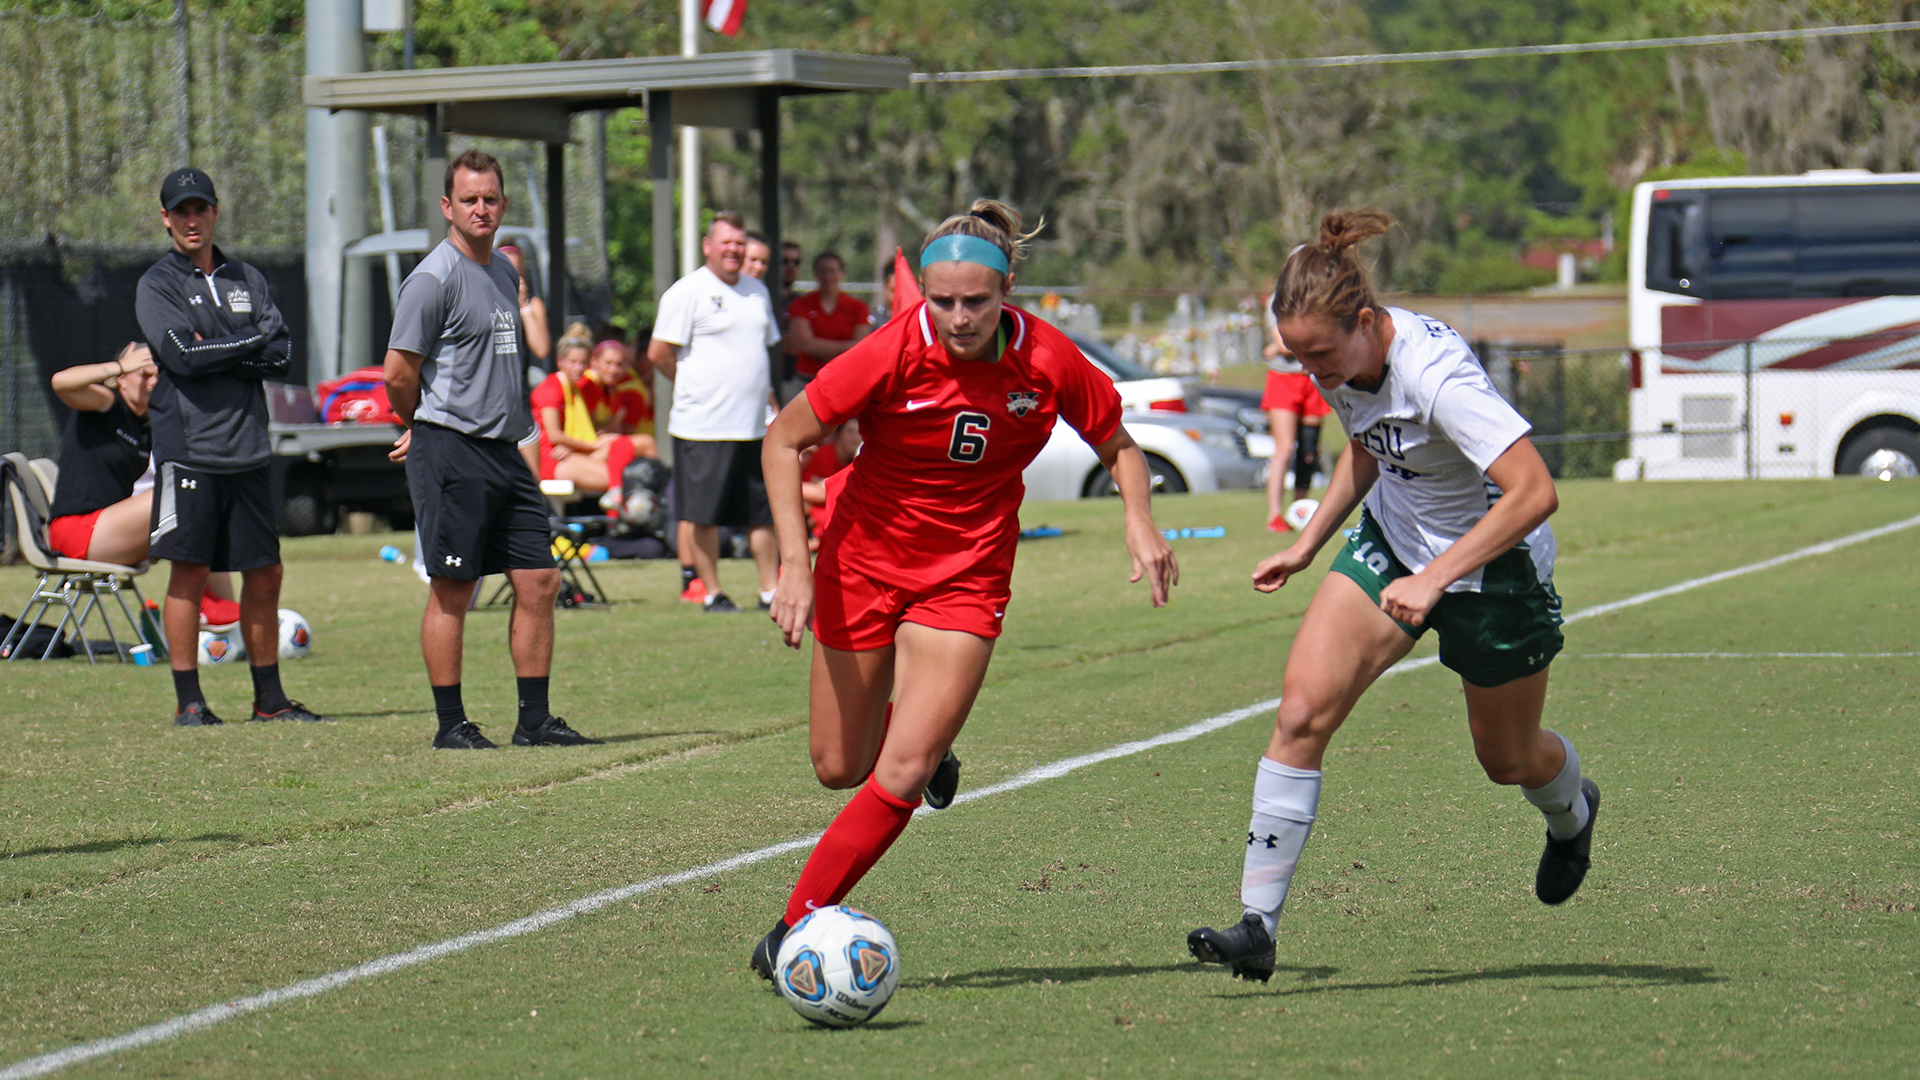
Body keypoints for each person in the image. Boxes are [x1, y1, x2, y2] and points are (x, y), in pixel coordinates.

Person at [749, 199, 1181, 982]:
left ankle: (794, 924)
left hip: (968, 573)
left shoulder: (1048, 360)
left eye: (975, 302)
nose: (957, 317)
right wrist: (795, 563)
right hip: (862, 562)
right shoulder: (889, 351)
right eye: (942, 301)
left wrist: (1140, 520)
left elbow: (1119, 446)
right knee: (838, 766)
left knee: (902, 773)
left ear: (1007, 287)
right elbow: (784, 439)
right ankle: (928, 740)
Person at [1186, 211, 1596, 983]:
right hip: (1393, 543)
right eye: (1298, 358)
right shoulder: (1341, 364)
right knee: (1301, 711)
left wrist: (1438, 578)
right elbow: (1369, 448)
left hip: (1496, 573)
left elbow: (1534, 491)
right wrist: (1309, 545)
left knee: (1506, 759)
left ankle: (1572, 813)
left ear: (1368, 323)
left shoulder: (1436, 378)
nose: (1314, 374)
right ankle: (1257, 927)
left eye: (1323, 355)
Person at [384, 148, 603, 750]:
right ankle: (451, 724)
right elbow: (399, 371)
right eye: (469, 199)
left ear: (503, 204)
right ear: (447, 206)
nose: (481, 208)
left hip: (506, 452)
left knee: (539, 580)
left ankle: (533, 721)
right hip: (451, 449)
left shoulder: (504, 273)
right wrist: (418, 424)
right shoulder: (432, 278)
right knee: (454, 588)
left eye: (490, 198)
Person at [135, 167, 325, 727]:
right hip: (189, 448)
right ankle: (189, 700)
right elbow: (181, 358)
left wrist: (216, 347)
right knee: (189, 573)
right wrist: (247, 342)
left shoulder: (248, 277)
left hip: (248, 449)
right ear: (166, 219)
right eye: (180, 211)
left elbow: (282, 354)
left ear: (215, 212)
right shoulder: (157, 284)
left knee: (265, 572)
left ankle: (270, 700)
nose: (192, 220)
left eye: (201, 209)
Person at [645, 211, 782, 615]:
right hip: (703, 426)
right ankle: (712, 592)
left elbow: (761, 354)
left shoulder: (758, 291)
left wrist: (770, 402)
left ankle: (770, 590)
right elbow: (659, 353)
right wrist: (692, 382)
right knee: (705, 515)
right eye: (726, 243)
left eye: (739, 244)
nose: (733, 251)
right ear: (708, 246)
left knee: (761, 514)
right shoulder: (687, 292)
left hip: (753, 427)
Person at [47, 343, 239, 626]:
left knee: (206, 507)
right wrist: (120, 366)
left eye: (157, 376)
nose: (152, 382)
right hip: (76, 532)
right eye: (143, 375)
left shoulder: (148, 424)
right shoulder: (107, 404)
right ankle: (200, 604)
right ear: (122, 380)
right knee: (187, 495)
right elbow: (61, 382)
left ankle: (232, 620)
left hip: (109, 533)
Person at [531, 328, 635, 497]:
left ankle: (615, 506)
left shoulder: (576, 389)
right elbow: (554, 436)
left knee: (622, 443)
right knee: (624, 481)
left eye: (583, 363)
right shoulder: (551, 389)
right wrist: (592, 445)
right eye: (573, 362)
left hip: (570, 451)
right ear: (560, 362)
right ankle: (616, 510)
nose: (578, 368)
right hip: (553, 459)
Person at [1260, 294, 1331, 531]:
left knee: (1309, 451)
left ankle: (1300, 511)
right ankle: (1274, 516)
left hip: (1311, 378)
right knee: (1284, 448)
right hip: (1283, 380)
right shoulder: (1277, 301)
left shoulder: (1319, 299)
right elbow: (1282, 345)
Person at [786, 251, 872, 386]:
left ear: (842, 273)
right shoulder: (801, 304)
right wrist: (847, 347)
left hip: (845, 380)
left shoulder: (858, 307)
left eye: (832, 271)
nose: (827, 276)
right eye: (822, 271)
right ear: (815, 274)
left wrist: (819, 349)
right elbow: (805, 344)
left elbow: (861, 347)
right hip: (807, 381)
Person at [497, 245, 551, 374]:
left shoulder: (531, 304)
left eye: (515, 272)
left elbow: (542, 350)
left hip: (518, 386)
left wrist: (523, 306)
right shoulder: (483, 299)